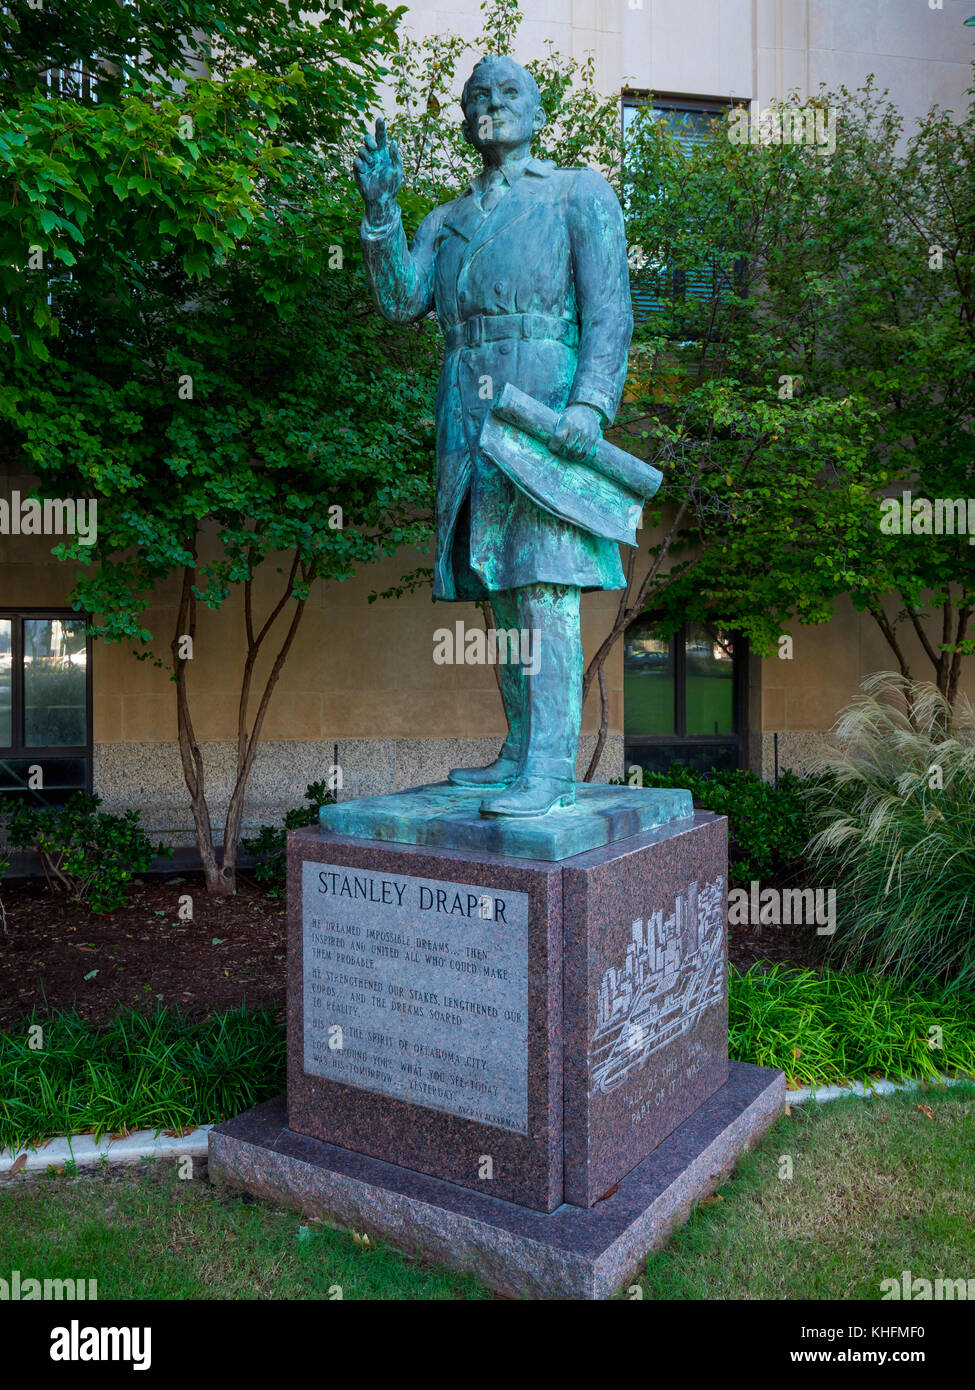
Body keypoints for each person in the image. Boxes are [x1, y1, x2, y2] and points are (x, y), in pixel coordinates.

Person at [353, 54, 632, 817]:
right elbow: (401, 303)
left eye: (507, 93)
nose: (490, 104)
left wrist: (590, 404)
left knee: (543, 580)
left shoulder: (578, 191)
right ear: (466, 118)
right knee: (499, 588)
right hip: (464, 403)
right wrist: (382, 211)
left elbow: (608, 311)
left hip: (539, 397)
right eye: (477, 96)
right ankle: (517, 752)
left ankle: (548, 766)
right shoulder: (445, 218)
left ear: (538, 114)